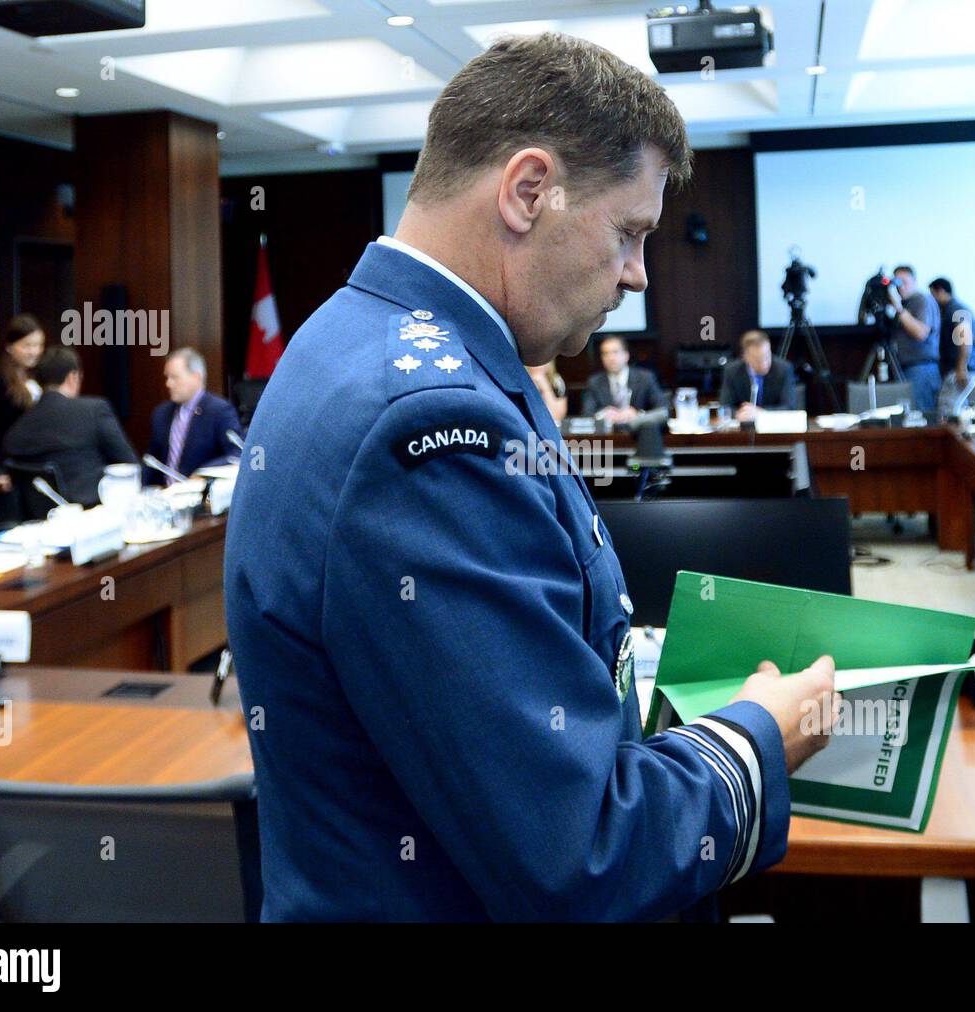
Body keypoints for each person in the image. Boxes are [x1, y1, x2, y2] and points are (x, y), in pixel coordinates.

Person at [224, 32, 837, 923]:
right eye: (629, 233)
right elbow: (582, 851)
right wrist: (757, 740)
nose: (635, 275)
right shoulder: (432, 423)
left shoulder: (354, 334)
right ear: (528, 191)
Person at [2, 346, 138, 507]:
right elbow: (129, 464)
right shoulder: (94, 411)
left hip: (41, 524)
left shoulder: (16, 431)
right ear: (72, 377)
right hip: (93, 518)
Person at [0, 314, 45, 523]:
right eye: (27, 345)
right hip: (7, 468)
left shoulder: (35, 376)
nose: (34, 351)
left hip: (30, 467)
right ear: (9, 346)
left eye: (39, 345)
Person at [144, 347, 242, 485]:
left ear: (196, 377)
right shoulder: (161, 413)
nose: (168, 383)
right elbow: (152, 461)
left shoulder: (219, 410)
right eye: (167, 377)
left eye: (175, 377)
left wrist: (203, 473)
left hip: (201, 496)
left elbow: (236, 455)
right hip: (164, 496)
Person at [876, 265, 941, 412]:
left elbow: (920, 333)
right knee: (908, 413)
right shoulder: (905, 304)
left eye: (905, 282)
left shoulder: (922, 300)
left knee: (920, 414)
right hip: (906, 367)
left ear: (915, 282)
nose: (901, 287)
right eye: (897, 283)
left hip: (922, 368)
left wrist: (898, 307)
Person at [929, 278, 975, 412]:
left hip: (963, 374)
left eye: (932, 294)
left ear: (941, 291)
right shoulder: (963, 308)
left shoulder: (955, 309)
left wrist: (961, 368)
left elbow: (964, 336)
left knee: (949, 416)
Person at [580, 333, 667, 422]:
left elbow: (662, 409)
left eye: (615, 352)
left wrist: (638, 414)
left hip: (639, 431)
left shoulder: (645, 378)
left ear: (626, 355)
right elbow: (586, 414)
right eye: (605, 354)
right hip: (609, 434)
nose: (611, 358)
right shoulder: (595, 382)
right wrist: (602, 414)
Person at [719, 329, 798, 419]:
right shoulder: (732, 371)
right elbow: (725, 407)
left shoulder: (784, 369)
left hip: (774, 428)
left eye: (767, 357)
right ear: (745, 357)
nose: (765, 364)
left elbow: (790, 407)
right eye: (758, 360)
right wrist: (740, 414)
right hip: (744, 427)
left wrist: (761, 413)